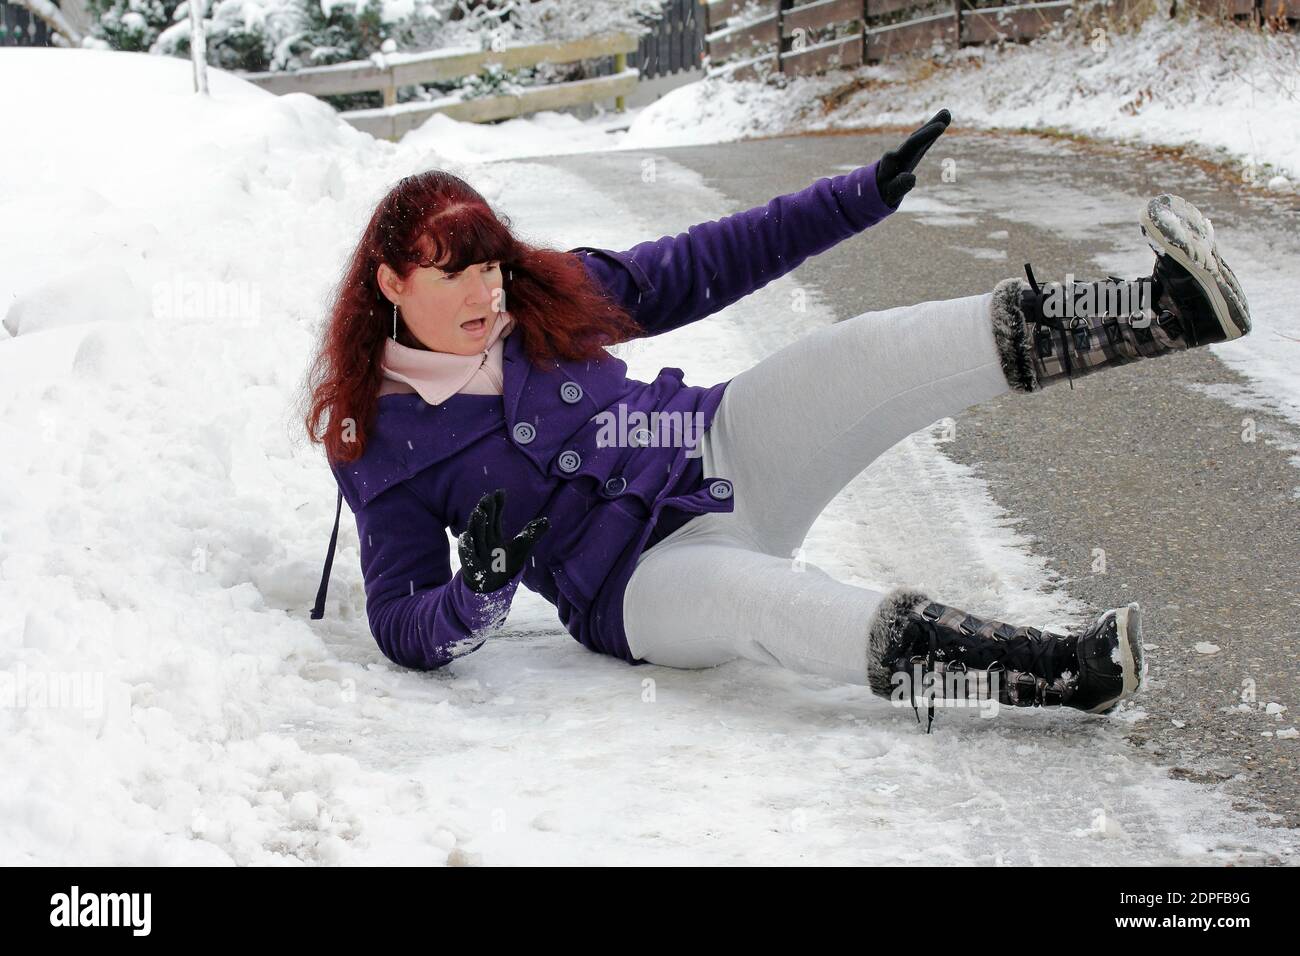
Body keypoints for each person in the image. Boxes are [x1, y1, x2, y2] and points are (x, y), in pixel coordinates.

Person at [302, 110, 1251, 731]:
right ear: (390, 283)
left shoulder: (547, 297)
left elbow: (709, 258)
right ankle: (1061, 673)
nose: (484, 289)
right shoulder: (380, 446)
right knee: (783, 610)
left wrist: (860, 194)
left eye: (489, 264)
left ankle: (1173, 310)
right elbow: (400, 622)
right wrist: (476, 594)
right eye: (451, 271)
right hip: (642, 588)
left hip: (718, 446)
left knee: (873, 351)